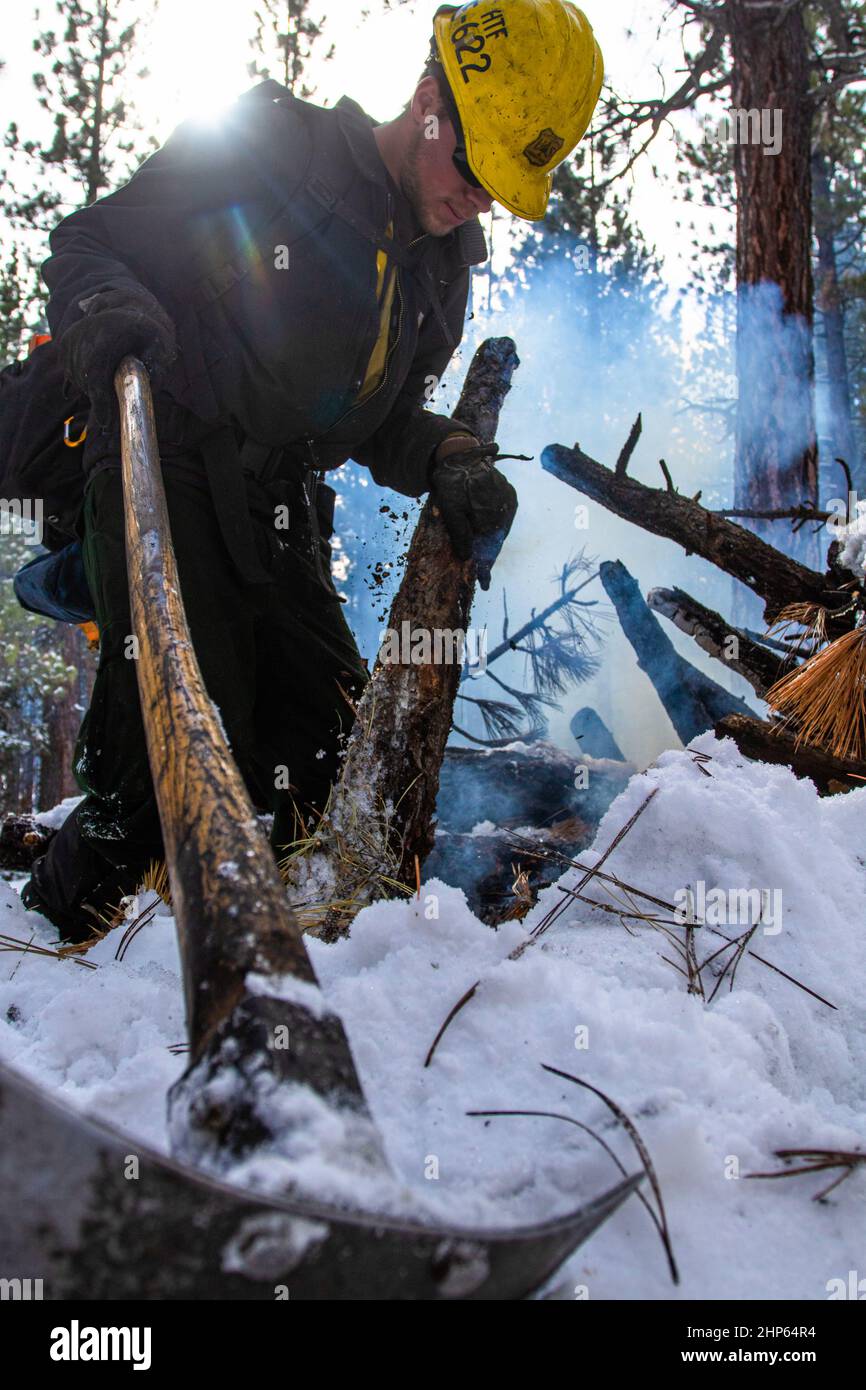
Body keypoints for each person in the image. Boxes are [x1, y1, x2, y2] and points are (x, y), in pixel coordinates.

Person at [22, 0, 603, 941]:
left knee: (333, 758)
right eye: (472, 166)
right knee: (174, 758)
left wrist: (447, 455)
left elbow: (373, 422)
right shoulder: (271, 144)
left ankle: (313, 947)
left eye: (501, 185)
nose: (479, 198)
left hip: (282, 508)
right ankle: (45, 948)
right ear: (427, 103)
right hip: (164, 459)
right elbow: (93, 242)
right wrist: (111, 310)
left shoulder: (441, 266)